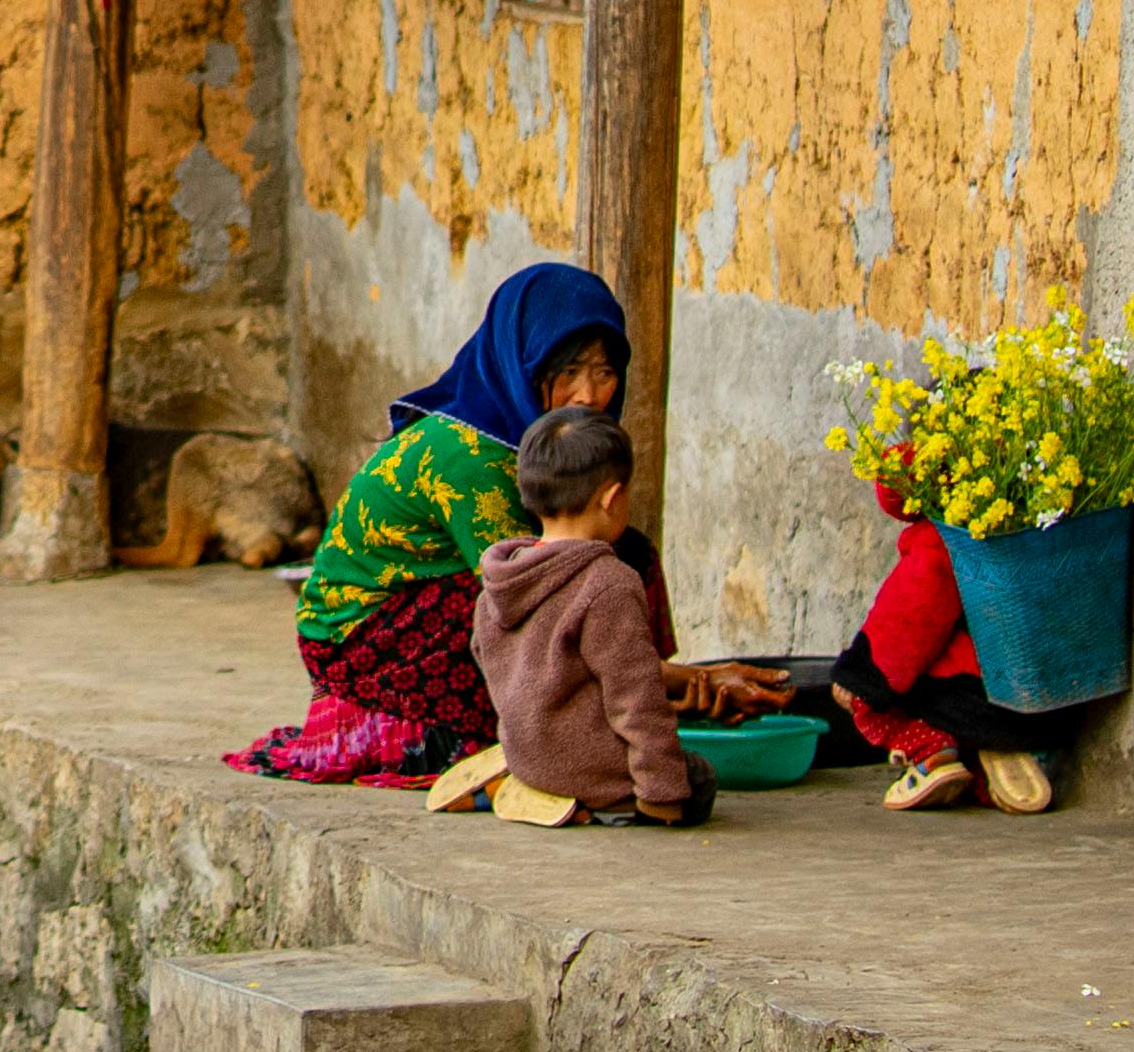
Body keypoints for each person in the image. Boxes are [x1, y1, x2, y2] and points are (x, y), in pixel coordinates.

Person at [225, 261, 770, 786]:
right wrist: (692, 679)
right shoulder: (474, 459)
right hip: (358, 639)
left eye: (605, 373)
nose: (588, 396)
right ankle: (592, 725)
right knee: (550, 602)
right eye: (569, 373)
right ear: (523, 365)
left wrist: (663, 677)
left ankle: (633, 706)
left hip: (444, 597)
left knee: (626, 556)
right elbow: (537, 607)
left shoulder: (535, 440)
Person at [430, 408, 717, 828]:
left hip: (530, 762)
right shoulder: (608, 583)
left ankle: (534, 790)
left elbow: (486, 657)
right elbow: (637, 699)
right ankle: (600, 807)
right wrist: (661, 797)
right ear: (611, 498)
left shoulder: (503, 578)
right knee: (700, 776)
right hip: (596, 775)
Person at [831, 481, 1068, 812]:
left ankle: (932, 752)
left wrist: (861, 676)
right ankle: (987, 770)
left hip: (973, 696)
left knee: (862, 691)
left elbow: (910, 618)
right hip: (1052, 701)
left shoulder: (941, 537)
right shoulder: (1048, 524)